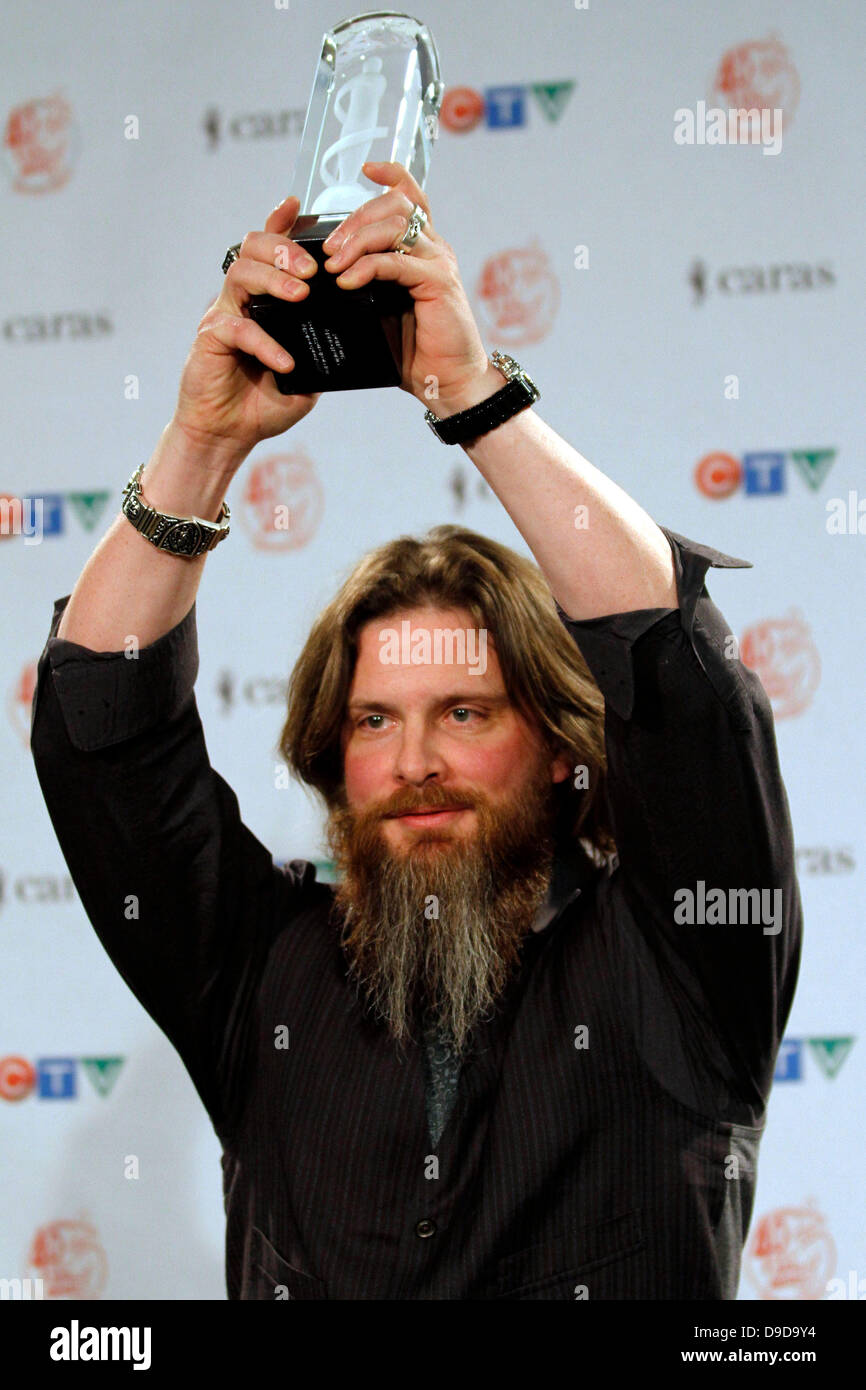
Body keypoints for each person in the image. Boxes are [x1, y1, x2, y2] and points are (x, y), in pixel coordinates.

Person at [30, 161, 802, 1300]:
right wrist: (202, 442)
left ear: (556, 744)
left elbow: (674, 679)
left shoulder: (683, 962)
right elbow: (102, 722)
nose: (413, 763)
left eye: (466, 713)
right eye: (374, 719)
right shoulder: (255, 976)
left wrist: (469, 393)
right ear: (331, 760)